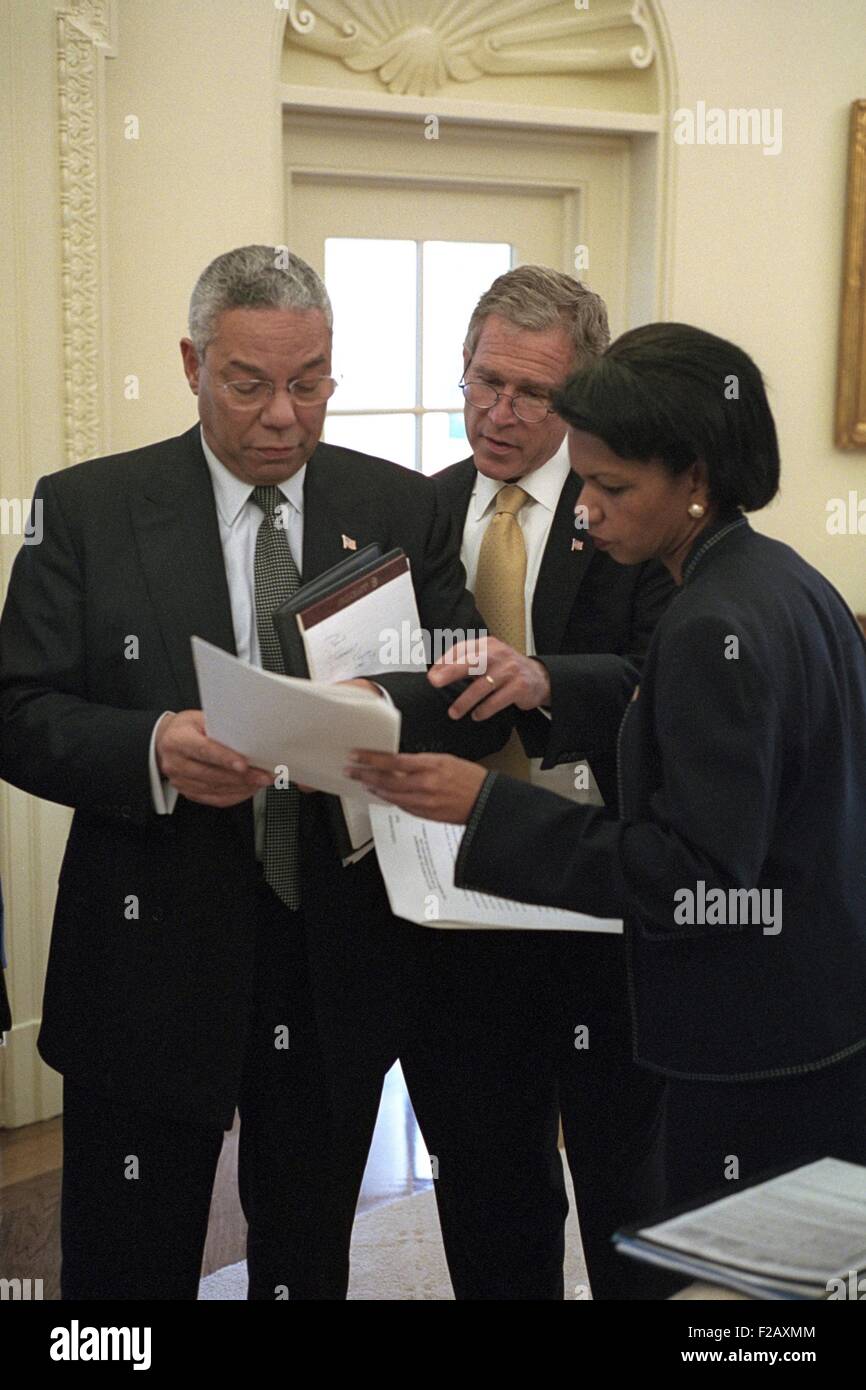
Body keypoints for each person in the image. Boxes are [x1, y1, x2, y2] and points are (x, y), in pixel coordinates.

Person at [0, 245, 512, 1300]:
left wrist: (380, 707)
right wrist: (149, 750)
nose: (283, 414)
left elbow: (461, 683)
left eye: (310, 381)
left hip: (331, 952)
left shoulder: (401, 509)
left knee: (304, 1254)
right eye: (249, 383)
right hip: (149, 947)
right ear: (192, 364)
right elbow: (18, 708)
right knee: (124, 1264)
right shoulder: (88, 511)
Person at [349, 322, 866, 1255]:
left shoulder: (712, 624)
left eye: (612, 487)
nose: (584, 510)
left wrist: (483, 806)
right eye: (582, 481)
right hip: (817, 1016)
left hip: (746, 1048)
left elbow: (696, 875)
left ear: (696, 479)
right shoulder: (787, 580)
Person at [415, 267, 675, 1299]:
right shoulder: (418, 510)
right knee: (485, 1185)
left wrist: (542, 678)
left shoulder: (631, 510)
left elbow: (665, 679)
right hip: (454, 910)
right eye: (483, 381)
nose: (498, 410)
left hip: (599, 907)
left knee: (628, 1193)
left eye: (531, 394)